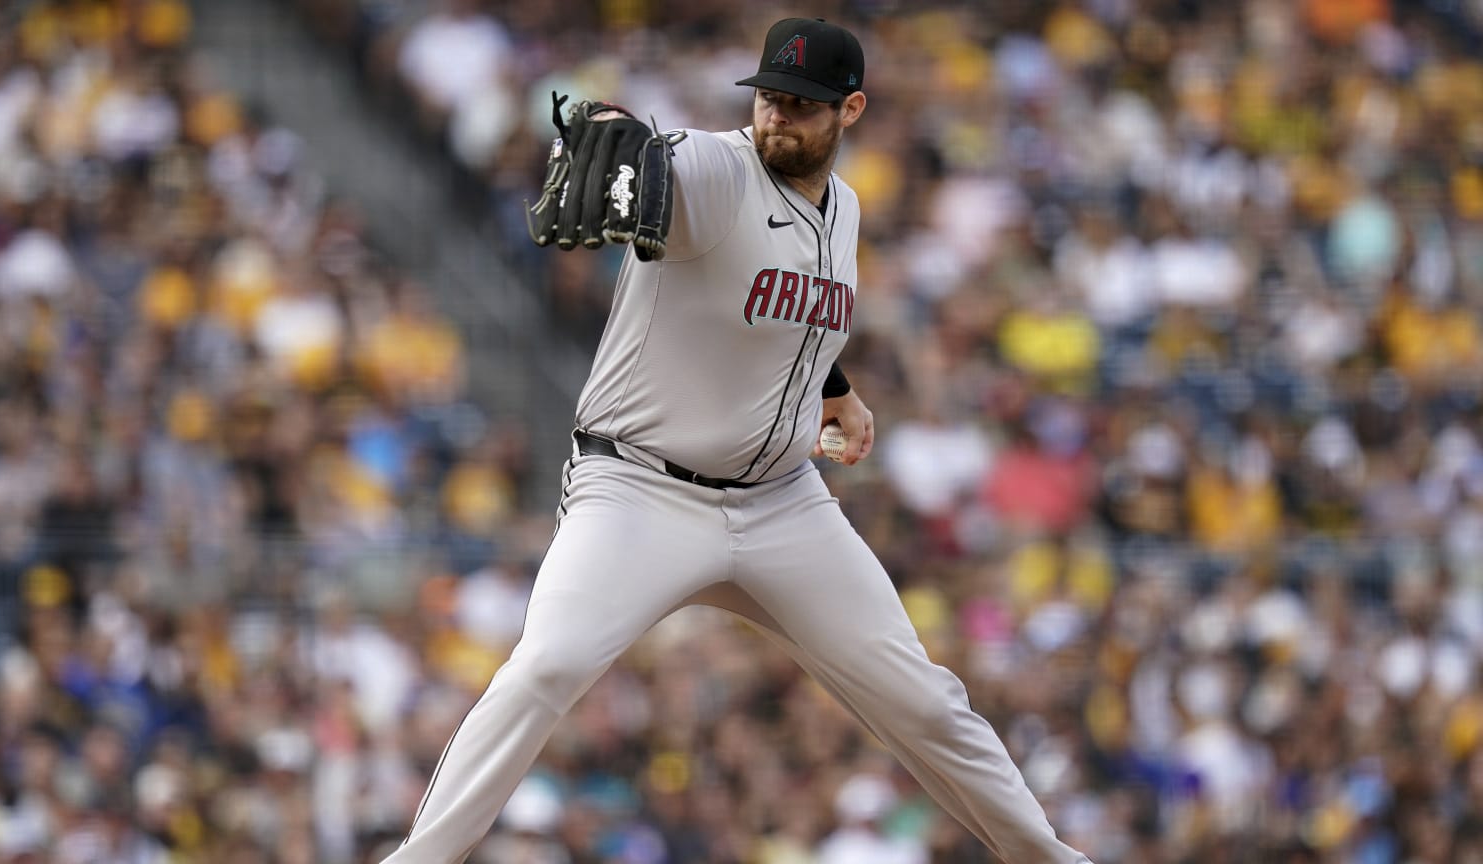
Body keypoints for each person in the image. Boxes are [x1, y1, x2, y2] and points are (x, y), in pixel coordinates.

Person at [386, 18, 1091, 864]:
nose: (777, 119)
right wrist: (613, 133)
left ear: (850, 111)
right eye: (768, 98)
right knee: (545, 668)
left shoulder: (847, 212)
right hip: (642, 493)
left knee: (927, 703)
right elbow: (651, 152)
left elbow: (783, 315)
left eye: (801, 105)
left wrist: (838, 392)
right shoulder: (720, 170)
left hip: (783, 506)